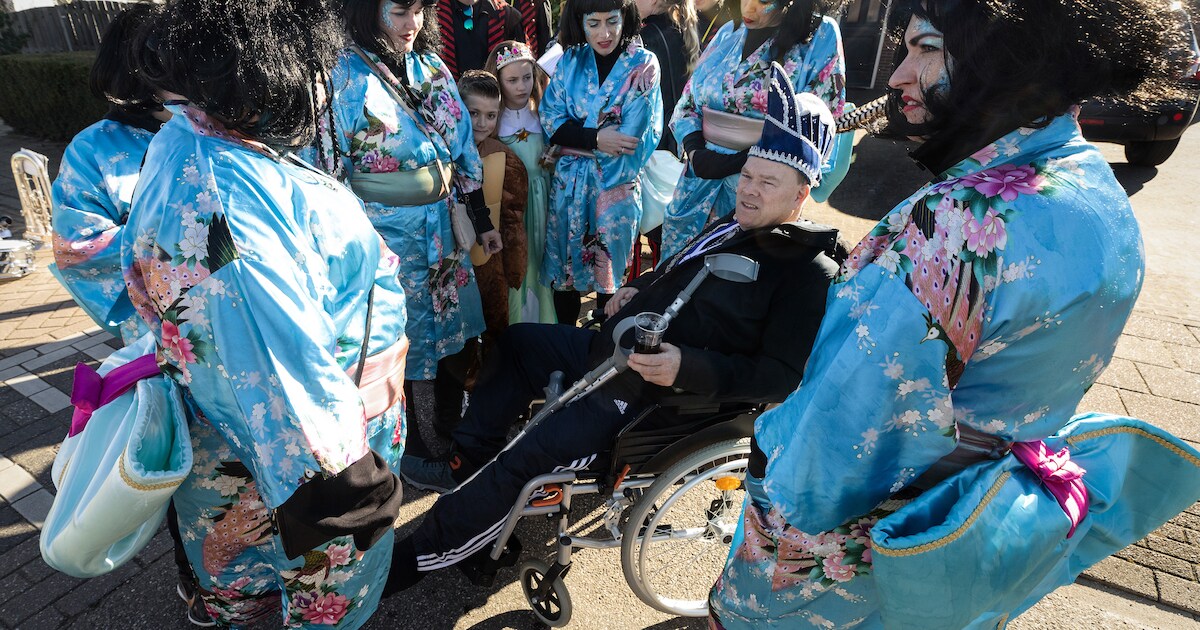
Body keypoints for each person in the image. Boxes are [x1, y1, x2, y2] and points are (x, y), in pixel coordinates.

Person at [709, 1, 1200, 627]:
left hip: (860, 560)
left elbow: (844, 433)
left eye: (926, 49)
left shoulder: (962, 223)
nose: (896, 76)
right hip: (974, 531)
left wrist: (769, 453)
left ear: (1006, 57)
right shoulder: (1100, 194)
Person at [389, 69, 841, 590]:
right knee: (515, 344)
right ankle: (470, 458)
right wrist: (638, 289)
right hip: (613, 350)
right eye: (747, 176)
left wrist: (683, 367)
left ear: (801, 195)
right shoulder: (735, 226)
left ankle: (421, 554)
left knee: (530, 452)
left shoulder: (807, 271)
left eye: (768, 183)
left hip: (650, 397)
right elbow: (677, 272)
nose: (749, 190)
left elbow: (780, 377)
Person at [125, 0, 408, 627]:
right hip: (296, 466)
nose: (324, 79)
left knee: (253, 595)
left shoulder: (201, 134)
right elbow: (264, 356)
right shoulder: (222, 199)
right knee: (315, 602)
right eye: (318, 63)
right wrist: (346, 483)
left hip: (251, 445)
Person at [48, 5, 213, 626]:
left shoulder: (214, 125)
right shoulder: (95, 148)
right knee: (179, 467)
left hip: (234, 336)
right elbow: (77, 247)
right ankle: (199, 582)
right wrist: (176, 249)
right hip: (159, 339)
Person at [314, 0, 501, 457]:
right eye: (398, 11)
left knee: (456, 334)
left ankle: (452, 435)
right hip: (385, 237)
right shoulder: (342, 75)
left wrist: (482, 220)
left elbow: (462, 150)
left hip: (444, 227)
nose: (411, 25)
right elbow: (327, 171)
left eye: (419, 11)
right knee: (402, 339)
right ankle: (418, 449)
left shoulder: (432, 66)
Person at [659, 0, 846, 259]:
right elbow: (688, 102)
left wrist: (738, 162)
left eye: (764, 2)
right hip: (698, 177)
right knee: (675, 272)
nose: (748, 9)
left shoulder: (820, 35)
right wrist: (694, 150)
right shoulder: (727, 34)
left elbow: (817, 121)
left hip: (760, 186)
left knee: (736, 277)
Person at [539, 0, 663, 326]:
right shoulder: (570, 60)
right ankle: (565, 348)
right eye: (593, 23)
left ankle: (603, 356)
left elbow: (631, 139)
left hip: (615, 189)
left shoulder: (644, 65)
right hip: (567, 188)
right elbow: (551, 120)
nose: (604, 33)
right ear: (579, 22)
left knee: (610, 279)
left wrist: (575, 139)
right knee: (564, 279)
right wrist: (595, 139)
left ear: (626, 17)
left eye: (612, 21)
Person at [484, 40, 556, 323]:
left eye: (527, 77)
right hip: (513, 209)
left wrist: (552, 160)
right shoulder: (492, 122)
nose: (521, 86)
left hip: (543, 201)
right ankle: (517, 322)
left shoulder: (544, 115)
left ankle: (547, 322)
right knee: (519, 263)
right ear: (498, 80)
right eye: (512, 80)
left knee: (542, 261)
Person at [459, 70, 529, 355]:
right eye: (473, 113)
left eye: (490, 115)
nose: (481, 123)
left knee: (494, 329)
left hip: (489, 260)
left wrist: (514, 265)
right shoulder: (438, 153)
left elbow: (513, 217)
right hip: (451, 263)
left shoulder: (504, 156)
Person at [435, 0, 526, 77]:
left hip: (492, 94)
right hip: (446, 94)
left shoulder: (508, 16)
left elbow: (521, 70)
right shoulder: (431, 12)